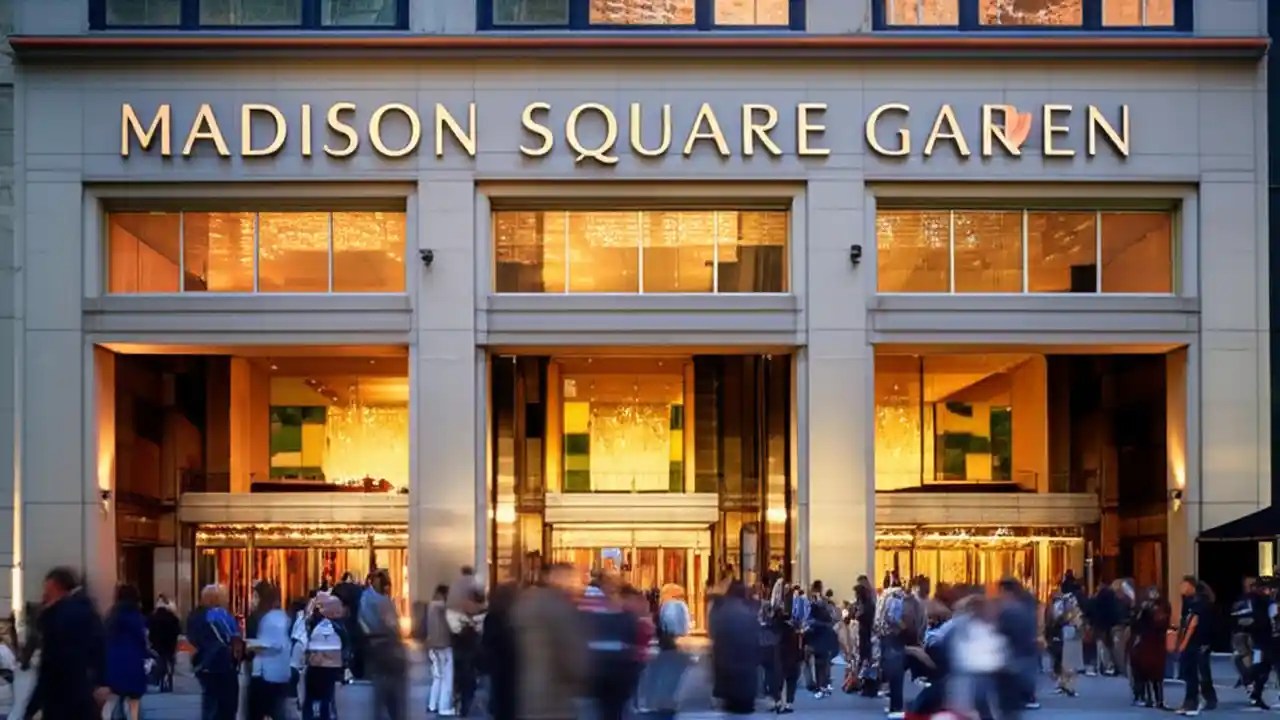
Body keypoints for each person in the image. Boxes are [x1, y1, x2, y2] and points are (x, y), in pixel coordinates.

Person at [512, 562, 588, 720]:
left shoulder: (525, 604)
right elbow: (574, 658)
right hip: (555, 696)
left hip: (528, 692)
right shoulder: (559, 608)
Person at [28, 567, 105, 720]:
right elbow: (100, 649)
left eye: (48, 593)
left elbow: (50, 668)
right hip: (83, 697)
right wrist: (101, 682)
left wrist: (32, 707)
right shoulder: (89, 612)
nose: (44, 597)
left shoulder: (55, 618)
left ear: (58, 590)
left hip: (60, 700)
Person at [188, 584, 242, 720]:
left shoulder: (195, 616)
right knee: (226, 706)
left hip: (203, 664)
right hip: (222, 664)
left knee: (209, 703)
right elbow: (233, 637)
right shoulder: (220, 615)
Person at [361, 568, 408, 720]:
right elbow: (390, 623)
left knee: (383, 689)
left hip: (380, 646)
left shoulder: (370, 598)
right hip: (383, 646)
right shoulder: (379, 601)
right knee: (389, 689)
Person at [709, 580, 759, 715]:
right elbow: (757, 638)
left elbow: (714, 634)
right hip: (746, 669)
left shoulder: (722, 610)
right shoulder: (750, 611)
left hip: (727, 668)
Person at [103, 584, 149, 720]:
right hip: (133, 662)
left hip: (113, 662)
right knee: (134, 701)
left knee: (116, 697)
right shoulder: (136, 617)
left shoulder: (111, 616)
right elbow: (141, 639)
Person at [249, 583, 292, 720]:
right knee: (277, 709)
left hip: (264, 672)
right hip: (279, 671)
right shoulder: (282, 617)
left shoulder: (264, 618)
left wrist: (251, 646)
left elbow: (271, 644)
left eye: (255, 596)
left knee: (260, 710)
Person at [447, 566, 485, 717]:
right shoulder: (474, 584)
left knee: (458, 671)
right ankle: (466, 705)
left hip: (456, 634)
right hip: (469, 635)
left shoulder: (454, 585)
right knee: (469, 672)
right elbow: (478, 605)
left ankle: (457, 702)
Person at [303, 593, 346, 720]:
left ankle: (310, 716)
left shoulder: (314, 623)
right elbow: (345, 643)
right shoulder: (338, 626)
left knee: (311, 697)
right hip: (330, 667)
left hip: (315, 665)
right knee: (327, 697)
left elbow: (307, 636)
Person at [481, 581, 520, 720]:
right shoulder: (510, 619)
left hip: (498, 670)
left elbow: (487, 642)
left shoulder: (492, 617)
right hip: (507, 670)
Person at [1175, 575, 1212, 716]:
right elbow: (1184, 621)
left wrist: (1184, 643)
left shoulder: (1199, 602)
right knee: (1191, 672)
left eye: (1184, 585)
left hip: (1197, 641)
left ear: (1191, 585)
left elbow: (1192, 624)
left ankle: (1192, 702)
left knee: (1194, 672)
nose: (1181, 588)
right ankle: (1200, 699)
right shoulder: (1188, 601)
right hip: (1193, 641)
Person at [1130, 586, 1171, 709]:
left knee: (1152, 672)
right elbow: (1136, 624)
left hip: (1152, 643)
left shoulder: (1161, 607)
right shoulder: (1148, 608)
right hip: (1150, 642)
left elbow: (1137, 624)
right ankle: (1154, 699)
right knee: (1149, 672)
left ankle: (1155, 699)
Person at [423, 584, 455, 716]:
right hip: (444, 645)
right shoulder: (443, 607)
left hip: (432, 646)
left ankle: (432, 704)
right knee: (447, 677)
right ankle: (444, 707)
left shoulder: (430, 607)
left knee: (437, 677)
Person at [148, 596, 181, 693]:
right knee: (170, 660)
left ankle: (161, 678)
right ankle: (169, 678)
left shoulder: (153, 617)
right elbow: (177, 630)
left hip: (158, 644)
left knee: (160, 660)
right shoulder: (173, 617)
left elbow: (150, 632)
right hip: (170, 644)